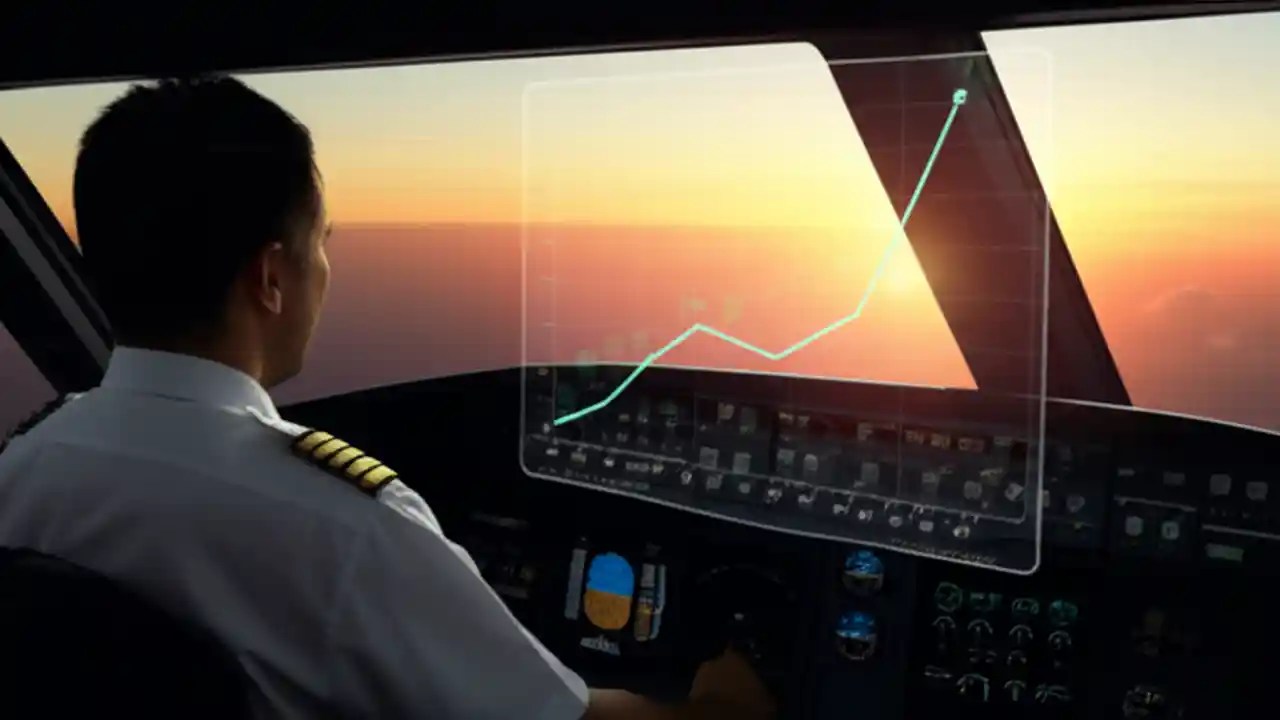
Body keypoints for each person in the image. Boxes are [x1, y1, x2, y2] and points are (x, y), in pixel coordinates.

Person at [0, 77, 775, 719]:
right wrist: (724, 699)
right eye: (321, 245)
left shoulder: (20, 473)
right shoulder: (347, 531)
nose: (326, 275)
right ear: (271, 278)